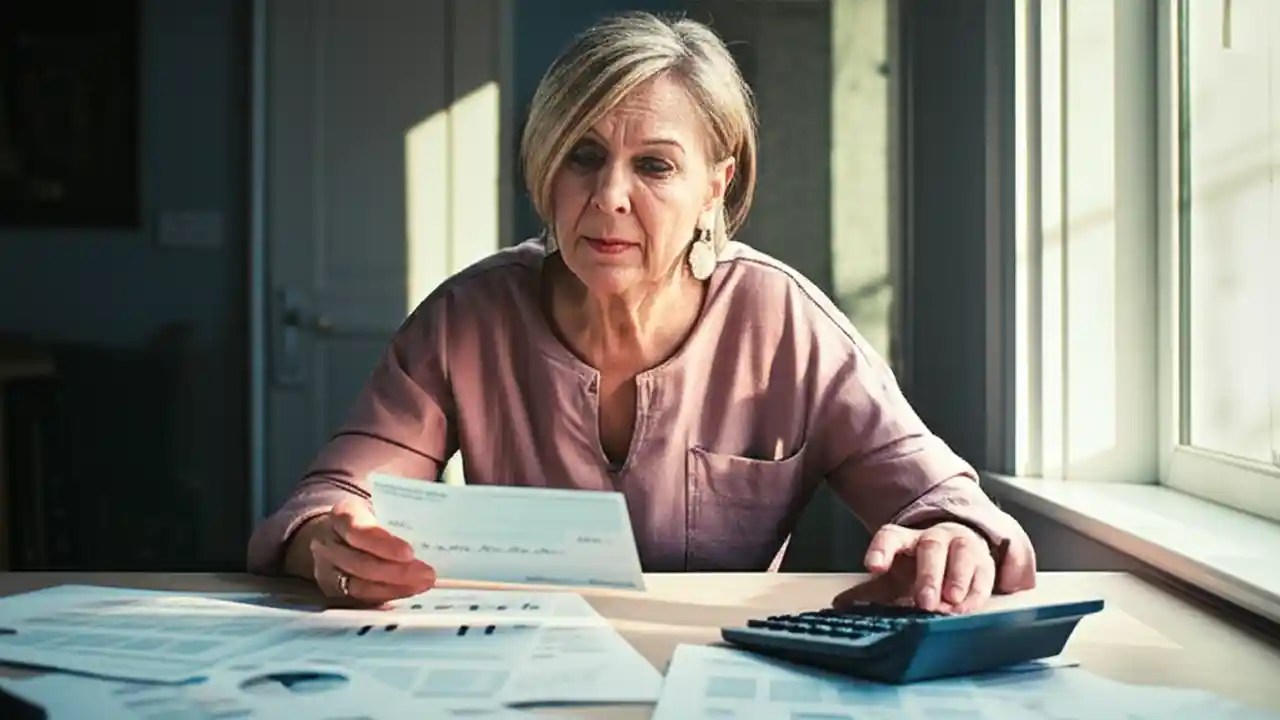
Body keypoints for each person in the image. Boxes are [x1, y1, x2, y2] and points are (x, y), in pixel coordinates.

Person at [248, 11, 1036, 612]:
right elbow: (332, 498)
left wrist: (953, 538)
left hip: (722, 682)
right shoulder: (466, 317)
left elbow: (946, 503)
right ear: (547, 170)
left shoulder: (784, 321)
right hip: (516, 675)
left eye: (654, 165)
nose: (608, 197)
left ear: (714, 188)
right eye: (582, 156)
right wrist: (333, 541)